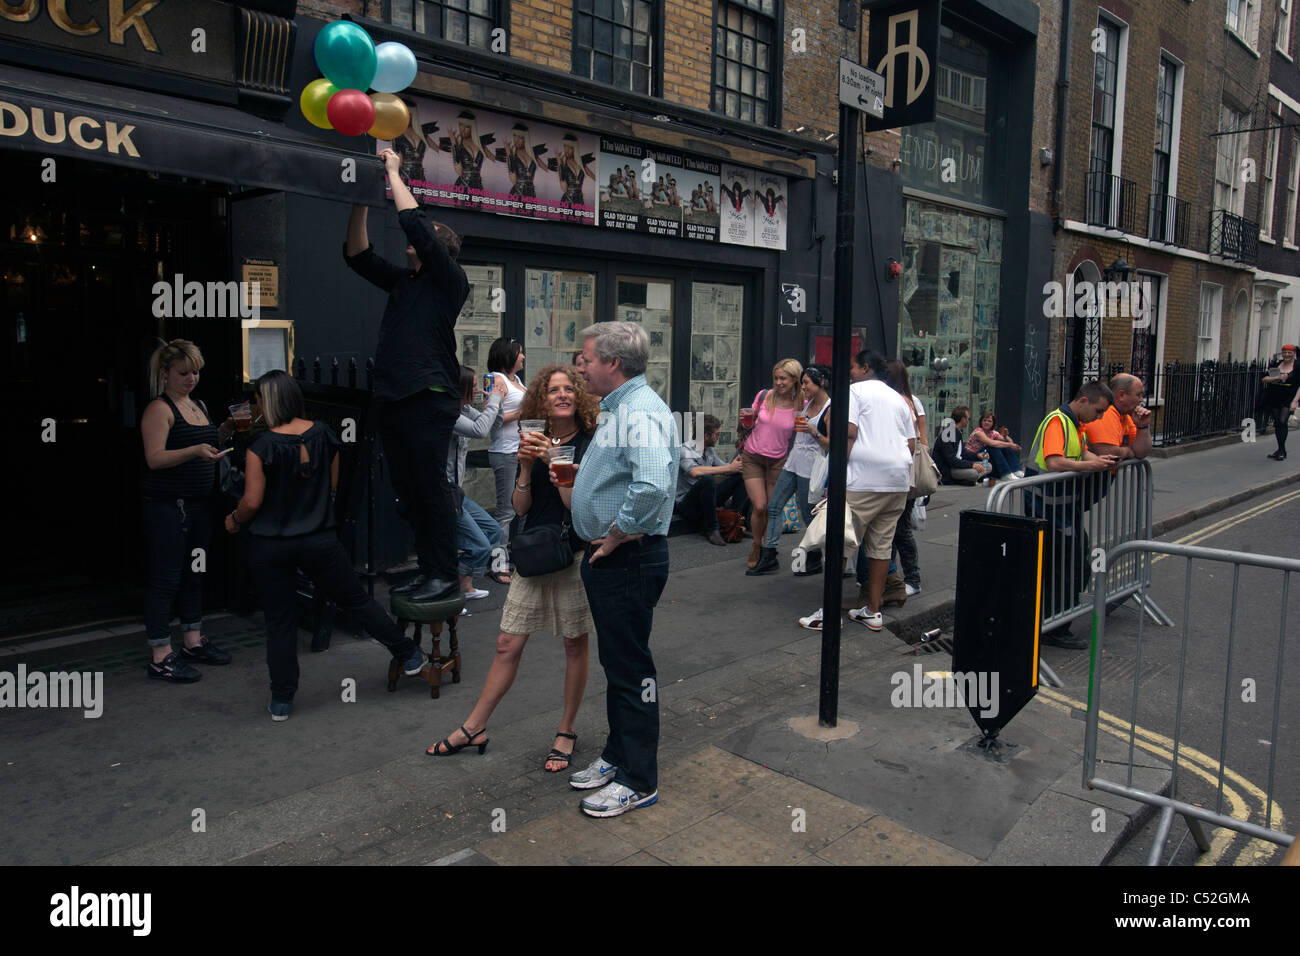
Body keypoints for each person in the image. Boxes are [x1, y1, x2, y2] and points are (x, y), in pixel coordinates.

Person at [225, 371, 426, 721]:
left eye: (257, 399)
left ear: (267, 401)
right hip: (319, 539)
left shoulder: (261, 447)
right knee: (357, 601)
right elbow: (331, 487)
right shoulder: (324, 434)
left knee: (281, 621)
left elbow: (252, 501)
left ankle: (282, 700)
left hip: (272, 545)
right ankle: (408, 654)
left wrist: (235, 520)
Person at [427, 365, 599, 770]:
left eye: (569, 388)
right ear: (541, 398)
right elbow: (519, 510)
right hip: (533, 555)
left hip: (572, 554)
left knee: (574, 644)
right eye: (553, 389)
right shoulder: (532, 438)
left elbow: (579, 510)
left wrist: (553, 463)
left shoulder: (592, 444)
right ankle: (474, 727)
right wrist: (525, 467)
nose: (562, 395)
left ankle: (567, 729)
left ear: (579, 396)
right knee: (508, 643)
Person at [344, 148, 466, 602]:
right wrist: (360, 198)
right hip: (394, 397)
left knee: (430, 486)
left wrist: (394, 173)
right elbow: (358, 255)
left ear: (441, 249)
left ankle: (446, 573)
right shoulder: (404, 283)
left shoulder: (450, 280)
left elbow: (415, 224)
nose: (415, 235)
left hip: (429, 396)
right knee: (408, 491)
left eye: (427, 235)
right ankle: (428, 567)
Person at [569, 322, 677, 818]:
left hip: (627, 559)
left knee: (631, 669)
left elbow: (652, 484)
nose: (580, 366)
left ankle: (638, 779)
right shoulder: (622, 407)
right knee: (619, 664)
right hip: (616, 558)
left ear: (613, 363)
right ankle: (618, 756)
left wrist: (615, 534)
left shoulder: (637, 410)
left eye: (586, 358)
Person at [798, 351, 915, 633]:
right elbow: (911, 443)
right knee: (881, 545)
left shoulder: (854, 392)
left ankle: (829, 612)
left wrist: (836, 477)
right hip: (897, 480)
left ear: (865, 368)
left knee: (840, 542)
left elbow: (847, 434)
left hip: (863, 479)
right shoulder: (897, 398)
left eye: (852, 366)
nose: (849, 371)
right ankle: (873, 611)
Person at [139, 339, 233, 681]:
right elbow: (155, 458)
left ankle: (192, 640)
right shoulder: (159, 409)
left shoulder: (200, 404)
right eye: (184, 373)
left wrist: (227, 430)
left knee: (196, 574)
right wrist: (194, 451)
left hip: (200, 507)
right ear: (165, 373)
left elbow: (209, 442)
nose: (191, 378)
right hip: (168, 509)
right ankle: (161, 654)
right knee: (166, 579)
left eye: (195, 372)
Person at [1024, 380, 1119, 649]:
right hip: (1048, 510)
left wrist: (1099, 461)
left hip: (1062, 509)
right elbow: (1054, 462)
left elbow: (1081, 451)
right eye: (1099, 411)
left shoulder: (1075, 424)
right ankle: (1054, 627)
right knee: (1065, 568)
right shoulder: (1058, 421)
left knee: (1072, 565)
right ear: (1084, 401)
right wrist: (1090, 466)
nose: (1099, 417)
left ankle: (1055, 622)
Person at [754, 364, 830, 574]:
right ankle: (769, 554)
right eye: (802, 382)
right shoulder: (808, 403)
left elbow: (831, 445)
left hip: (810, 467)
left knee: (807, 514)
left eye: (806, 383)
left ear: (820, 383)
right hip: (793, 462)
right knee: (774, 505)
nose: (803, 386)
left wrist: (814, 432)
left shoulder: (829, 408)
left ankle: (814, 557)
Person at [741, 358, 802, 574]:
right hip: (753, 456)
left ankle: (769, 549)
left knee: (772, 507)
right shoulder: (764, 396)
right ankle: (757, 545)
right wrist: (746, 417)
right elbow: (751, 419)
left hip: (778, 459)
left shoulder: (800, 403)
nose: (778, 382)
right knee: (759, 505)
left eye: (783, 378)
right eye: (776, 378)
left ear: (795, 379)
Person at [450, 366, 506, 599]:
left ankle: (465, 586)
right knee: (480, 545)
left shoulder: (465, 409)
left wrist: (496, 401)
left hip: (457, 493)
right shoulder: (449, 413)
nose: (477, 388)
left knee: (492, 530)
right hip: (445, 493)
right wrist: (493, 399)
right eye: (473, 385)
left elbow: (495, 425)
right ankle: (456, 588)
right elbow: (479, 430)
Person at [881, 358, 926, 604]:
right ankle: (893, 575)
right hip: (899, 473)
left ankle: (912, 579)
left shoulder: (903, 402)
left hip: (903, 475)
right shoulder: (906, 401)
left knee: (900, 528)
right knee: (894, 527)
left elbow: (916, 441)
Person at [485, 337, 528, 559]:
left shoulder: (517, 380)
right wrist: (523, 413)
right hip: (505, 451)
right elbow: (491, 419)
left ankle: (519, 557)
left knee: (522, 508)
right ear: (509, 355)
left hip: (522, 450)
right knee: (506, 510)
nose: (523, 356)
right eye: (520, 352)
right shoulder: (494, 379)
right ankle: (497, 563)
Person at [675, 414, 745, 545]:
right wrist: (729, 468)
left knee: (740, 475)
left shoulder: (709, 450)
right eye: (716, 434)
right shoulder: (685, 450)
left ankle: (736, 522)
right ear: (706, 436)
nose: (718, 437)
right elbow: (695, 472)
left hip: (706, 500)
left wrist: (736, 466)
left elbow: (725, 468)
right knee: (707, 480)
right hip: (687, 504)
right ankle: (713, 530)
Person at [1081, 373, 1151, 462]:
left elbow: (1140, 452)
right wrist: (1128, 450)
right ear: (1121, 395)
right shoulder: (1106, 413)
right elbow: (1108, 453)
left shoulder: (1125, 416)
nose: (1141, 399)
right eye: (1138, 395)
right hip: (1094, 474)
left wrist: (1143, 427)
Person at [932, 406, 991, 485]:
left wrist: (977, 456)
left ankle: (964, 479)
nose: (968, 421)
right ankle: (960, 479)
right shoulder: (949, 434)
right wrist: (972, 465)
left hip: (959, 465)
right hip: (950, 469)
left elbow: (962, 453)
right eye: (968, 419)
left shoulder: (957, 432)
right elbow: (951, 460)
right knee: (973, 473)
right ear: (963, 419)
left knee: (988, 466)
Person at [1262, 345, 1300, 460]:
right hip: (1275, 396)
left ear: (1294, 353)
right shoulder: (1277, 364)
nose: (1287, 355)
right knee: (1277, 423)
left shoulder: (1297, 366)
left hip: (1289, 397)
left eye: (1289, 353)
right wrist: (1277, 377)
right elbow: (1265, 378)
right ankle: (1280, 450)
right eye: (1284, 353)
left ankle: (1282, 451)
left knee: (1283, 421)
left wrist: (1295, 401)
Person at [967, 411, 1025, 480]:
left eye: (989, 421)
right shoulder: (978, 432)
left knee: (1003, 446)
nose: (986, 422)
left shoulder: (993, 433)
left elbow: (1006, 444)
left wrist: (1006, 437)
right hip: (974, 456)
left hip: (986, 457)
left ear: (993, 423)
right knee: (993, 447)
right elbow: (991, 443)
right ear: (981, 422)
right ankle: (1006, 474)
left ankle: (1017, 471)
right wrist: (1010, 444)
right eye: (984, 420)